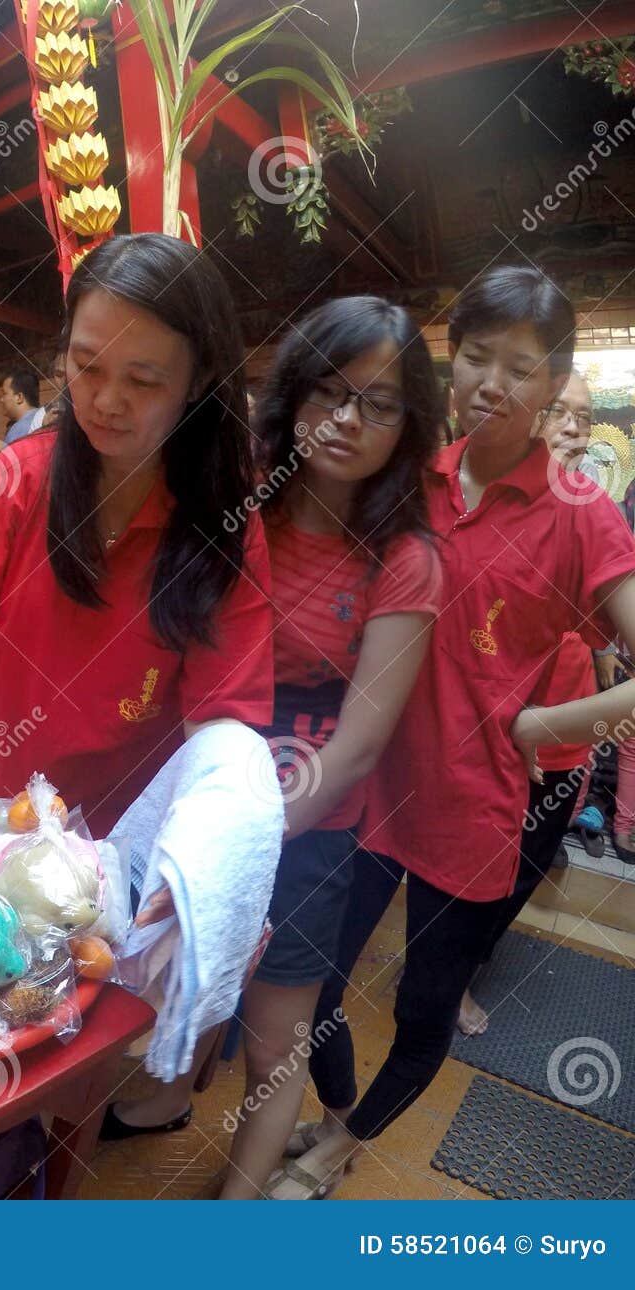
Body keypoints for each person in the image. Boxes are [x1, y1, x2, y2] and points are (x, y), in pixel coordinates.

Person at [288, 266, 635, 1195]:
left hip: (470, 807)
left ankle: (343, 1144)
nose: (492, 382)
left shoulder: (581, 514)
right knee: (311, 977)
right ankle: (330, 1113)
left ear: (556, 381)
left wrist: (550, 720)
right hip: (357, 786)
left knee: (422, 1005)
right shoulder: (407, 474)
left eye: (521, 367)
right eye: (476, 356)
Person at [0, 229, 273, 905]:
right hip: (13, 818)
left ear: (198, 380)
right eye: (87, 365)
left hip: (139, 841)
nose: (105, 400)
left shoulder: (223, 523)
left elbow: (220, 720)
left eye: (142, 379)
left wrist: (205, 845)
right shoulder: (20, 476)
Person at [219, 298, 444, 1199]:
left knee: (275, 1050)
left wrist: (246, 836)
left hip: (304, 833)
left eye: (379, 404)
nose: (348, 419)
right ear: (294, 395)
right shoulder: (241, 498)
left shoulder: (405, 555)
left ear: (410, 423)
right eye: (330, 391)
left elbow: (356, 749)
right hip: (198, 796)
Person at [457, 370, 600, 1036]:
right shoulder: (501, 512)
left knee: (528, 869)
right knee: (484, 872)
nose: (574, 426)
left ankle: (467, 966)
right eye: (560, 412)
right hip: (511, 740)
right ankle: (446, 981)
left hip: (572, 726)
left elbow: (594, 628)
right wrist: (523, 732)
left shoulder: (590, 513)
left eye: (585, 416)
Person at [0, 367, 44, 445]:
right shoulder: (45, 418)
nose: (1, 400)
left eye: (4, 394)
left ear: (19, 397)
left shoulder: (18, 430)